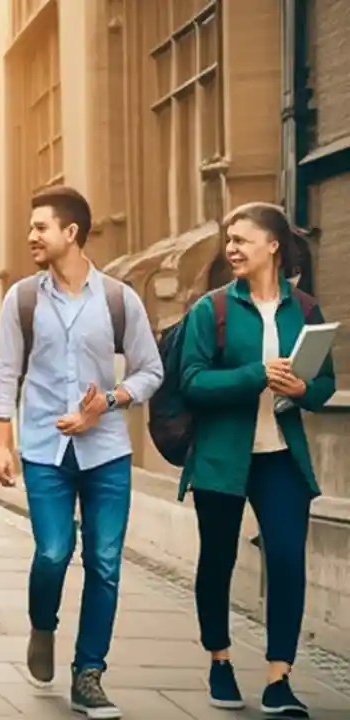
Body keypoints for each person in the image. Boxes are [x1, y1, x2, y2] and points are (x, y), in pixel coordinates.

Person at [0, 185, 163, 720]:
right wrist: (3, 444)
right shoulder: (22, 298)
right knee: (53, 553)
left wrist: (108, 401)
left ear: (71, 233)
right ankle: (44, 624)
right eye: (31, 227)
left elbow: (150, 370)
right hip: (44, 449)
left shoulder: (117, 298)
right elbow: (3, 372)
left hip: (106, 450)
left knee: (105, 563)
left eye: (41, 227)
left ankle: (89, 672)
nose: (31, 236)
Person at [178, 202, 335, 717]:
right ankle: (219, 660)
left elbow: (326, 384)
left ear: (273, 245)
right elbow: (192, 381)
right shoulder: (212, 309)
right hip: (223, 458)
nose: (232, 248)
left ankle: (278, 678)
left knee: (288, 560)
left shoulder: (305, 310)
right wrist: (257, 376)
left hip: (281, 457)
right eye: (229, 240)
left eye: (242, 239)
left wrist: (302, 387)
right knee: (218, 561)